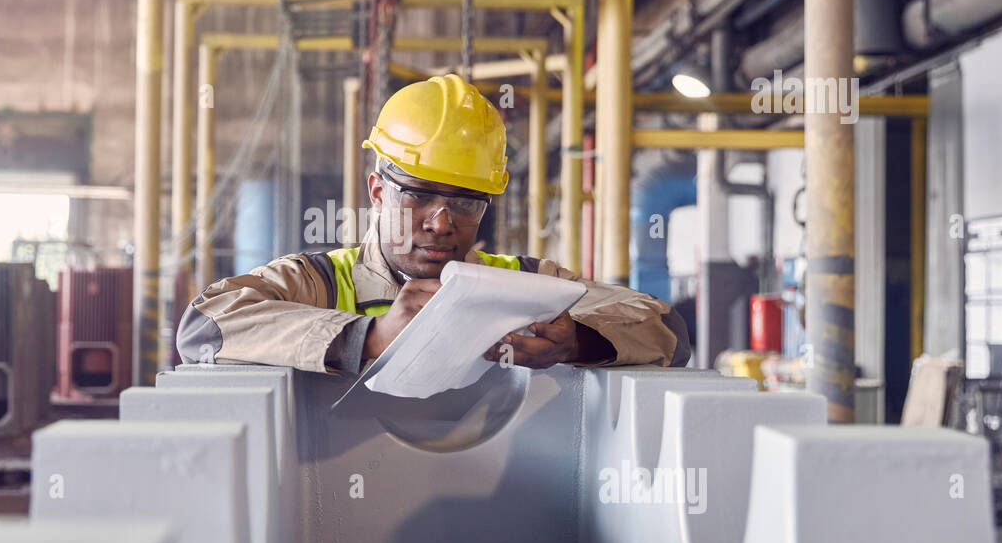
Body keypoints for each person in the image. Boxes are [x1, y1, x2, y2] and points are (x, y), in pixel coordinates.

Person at [177, 74, 690, 375]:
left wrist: (578, 341)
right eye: (419, 196)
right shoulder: (320, 282)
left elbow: (667, 330)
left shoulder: (524, 283)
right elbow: (204, 327)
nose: (442, 223)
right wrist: (368, 337)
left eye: (466, 202)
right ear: (378, 193)